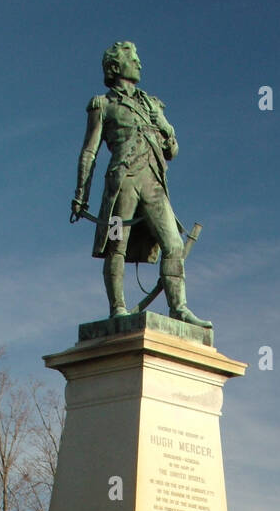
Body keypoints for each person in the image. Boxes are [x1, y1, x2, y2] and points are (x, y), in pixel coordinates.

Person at [70, 41, 211, 328]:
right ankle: (118, 308)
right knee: (116, 246)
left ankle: (179, 308)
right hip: (122, 184)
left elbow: (171, 151)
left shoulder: (152, 105)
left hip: (153, 182)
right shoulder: (103, 105)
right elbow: (89, 152)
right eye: (132, 59)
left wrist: (169, 134)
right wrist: (80, 194)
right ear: (114, 66)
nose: (139, 63)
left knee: (173, 243)